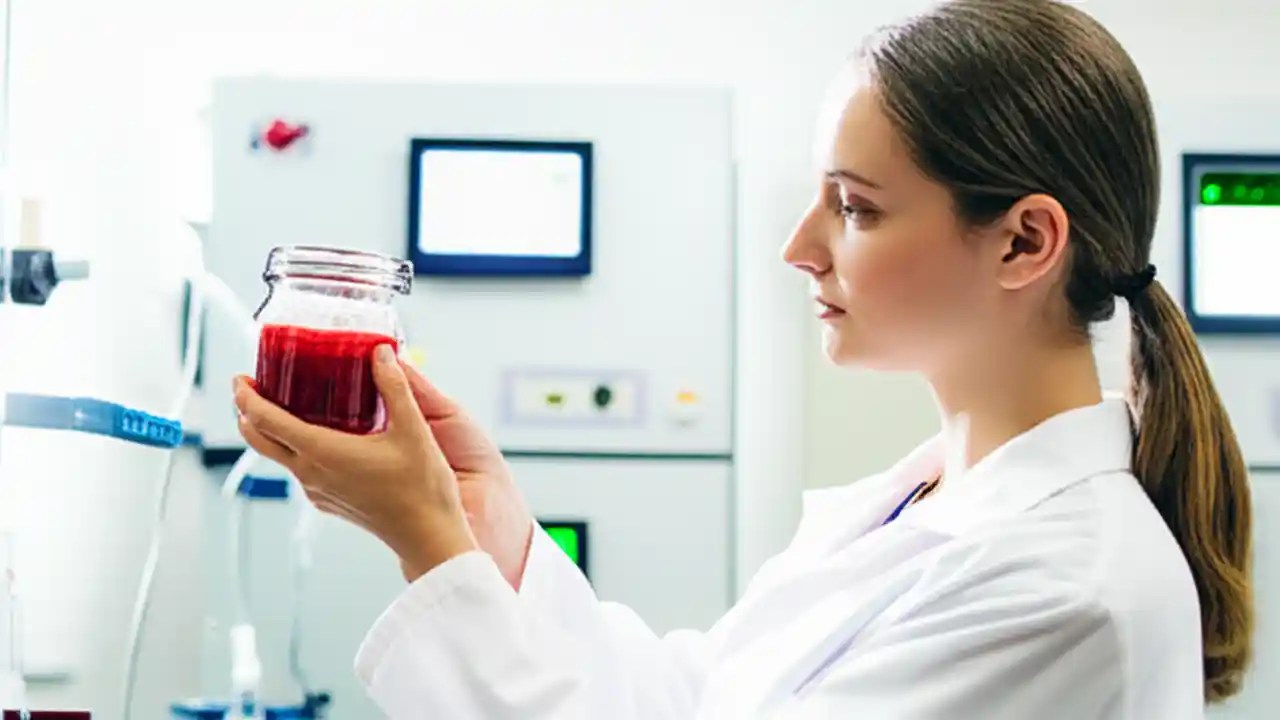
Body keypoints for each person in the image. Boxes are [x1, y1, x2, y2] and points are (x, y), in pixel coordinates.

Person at [232, 0, 1254, 717]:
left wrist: (425, 544)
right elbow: (698, 701)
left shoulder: (1066, 592)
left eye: (854, 208)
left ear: (1024, 242)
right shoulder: (921, 502)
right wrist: (483, 530)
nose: (797, 246)